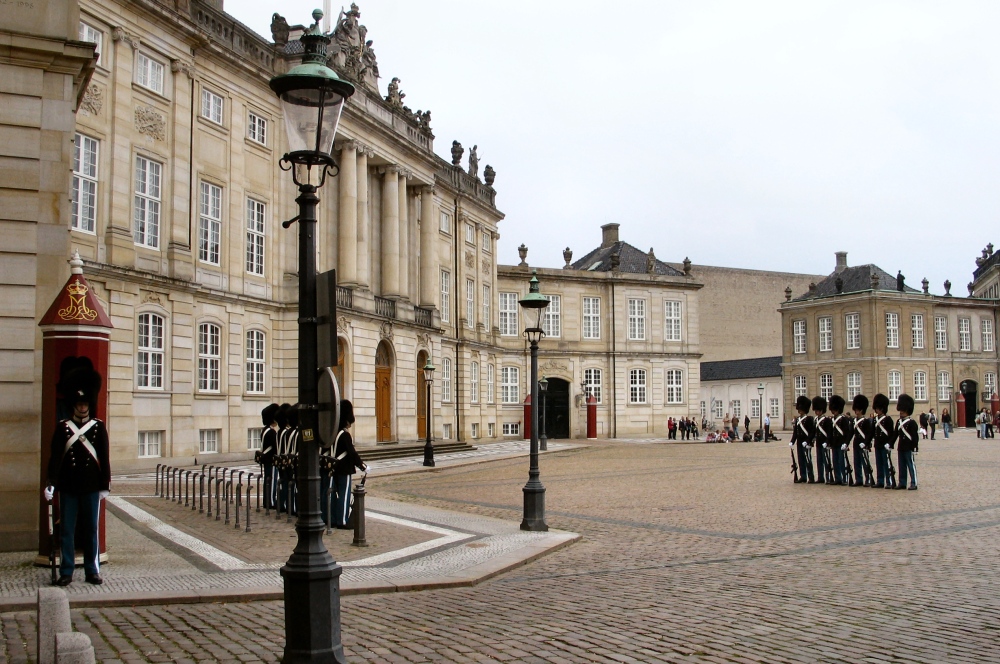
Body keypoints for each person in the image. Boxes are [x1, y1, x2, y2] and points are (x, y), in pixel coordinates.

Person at [45, 366, 110, 586]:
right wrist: (50, 483)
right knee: (66, 530)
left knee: (91, 529)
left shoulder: (98, 427)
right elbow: (55, 457)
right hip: (69, 486)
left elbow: (104, 457)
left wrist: (105, 484)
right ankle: (67, 570)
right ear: (74, 404)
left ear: (89, 404)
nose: (82, 407)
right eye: (79, 403)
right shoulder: (63, 427)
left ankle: (92, 570)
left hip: (91, 485)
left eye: (85, 404)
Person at [331, 400, 369, 529]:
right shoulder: (345, 435)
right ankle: (342, 520)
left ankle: (336, 518)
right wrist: (363, 466)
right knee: (344, 495)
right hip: (344, 468)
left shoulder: (334, 433)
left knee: (336, 494)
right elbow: (352, 453)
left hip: (334, 467)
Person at [894, 394, 919, 490]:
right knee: (902, 466)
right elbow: (895, 435)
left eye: (902, 411)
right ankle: (902, 482)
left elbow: (914, 436)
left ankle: (914, 482)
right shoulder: (899, 422)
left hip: (909, 447)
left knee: (910, 465)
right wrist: (890, 443)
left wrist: (915, 447)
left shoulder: (911, 422)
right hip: (901, 447)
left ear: (907, 411)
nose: (901, 412)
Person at [258, 403, 280, 510]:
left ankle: (267, 500)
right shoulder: (271, 432)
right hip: (270, 459)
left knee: (268, 480)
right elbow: (275, 447)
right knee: (271, 480)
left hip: (266, 459)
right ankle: (270, 501)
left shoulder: (265, 430)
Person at [872, 393, 895, 489]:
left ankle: (889, 481)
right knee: (879, 464)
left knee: (886, 464)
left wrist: (889, 444)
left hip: (885, 444)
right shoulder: (875, 420)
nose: (877, 410)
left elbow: (891, 433)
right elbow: (872, 432)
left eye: (878, 408)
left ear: (882, 408)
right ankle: (880, 481)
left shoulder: (888, 419)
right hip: (878, 444)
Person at [790, 395, 815, 483]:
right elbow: (795, 432)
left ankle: (811, 476)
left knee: (808, 460)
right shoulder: (798, 420)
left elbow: (811, 432)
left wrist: (808, 441)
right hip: (800, 442)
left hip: (806, 442)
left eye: (800, 409)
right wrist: (792, 441)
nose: (799, 411)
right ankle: (803, 476)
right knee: (800, 459)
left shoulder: (809, 419)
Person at [851, 394, 874, 487]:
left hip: (863, 443)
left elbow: (869, 434)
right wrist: (846, 442)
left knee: (865, 462)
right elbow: (851, 433)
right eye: (855, 409)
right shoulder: (854, 421)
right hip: (856, 443)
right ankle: (858, 479)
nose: (856, 411)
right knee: (857, 463)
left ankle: (868, 478)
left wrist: (866, 443)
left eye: (857, 409)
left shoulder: (866, 421)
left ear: (861, 410)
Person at [828, 395, 849, 485]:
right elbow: (830, 433)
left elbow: (846, 432)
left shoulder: (843, 419)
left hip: (841, 443)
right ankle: (837, 478)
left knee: (841, 462)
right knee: (835, 462)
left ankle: (844, 478)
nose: (833, 412)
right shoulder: (832, 420)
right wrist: (829, 442)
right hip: (834, 443)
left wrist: (845, 443)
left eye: (834, 410)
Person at [812, 396, 832, 484]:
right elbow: (814, 432)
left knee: (826, 461)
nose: (816, 412)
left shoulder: (826, 420)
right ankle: (821, 477)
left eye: (817, 410)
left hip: (824, 442)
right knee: (819, 461)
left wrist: (827, 442)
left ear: (821, 410)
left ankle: (828, 477)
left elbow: (829, 433)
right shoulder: (815, 420)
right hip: (818, 443)